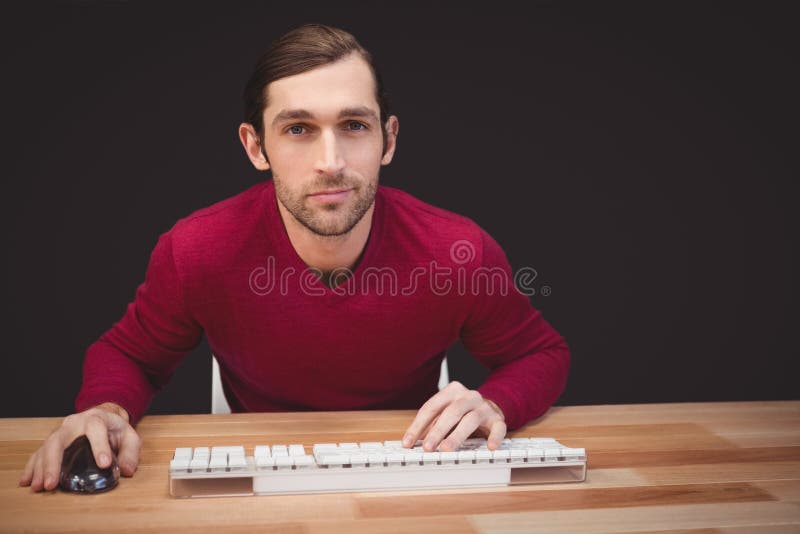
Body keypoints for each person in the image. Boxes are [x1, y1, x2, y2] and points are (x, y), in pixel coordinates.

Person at [20, 23, 570, 492]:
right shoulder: (197, 250)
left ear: (389, 140)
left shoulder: (458, 253)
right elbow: (129, 354)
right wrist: (105, 410)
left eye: (354, 126)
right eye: (299, 129)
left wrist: (496, 405)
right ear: (256, 146)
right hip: (258, 482)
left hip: (409, 475)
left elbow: (541, 353)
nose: (330, 162)